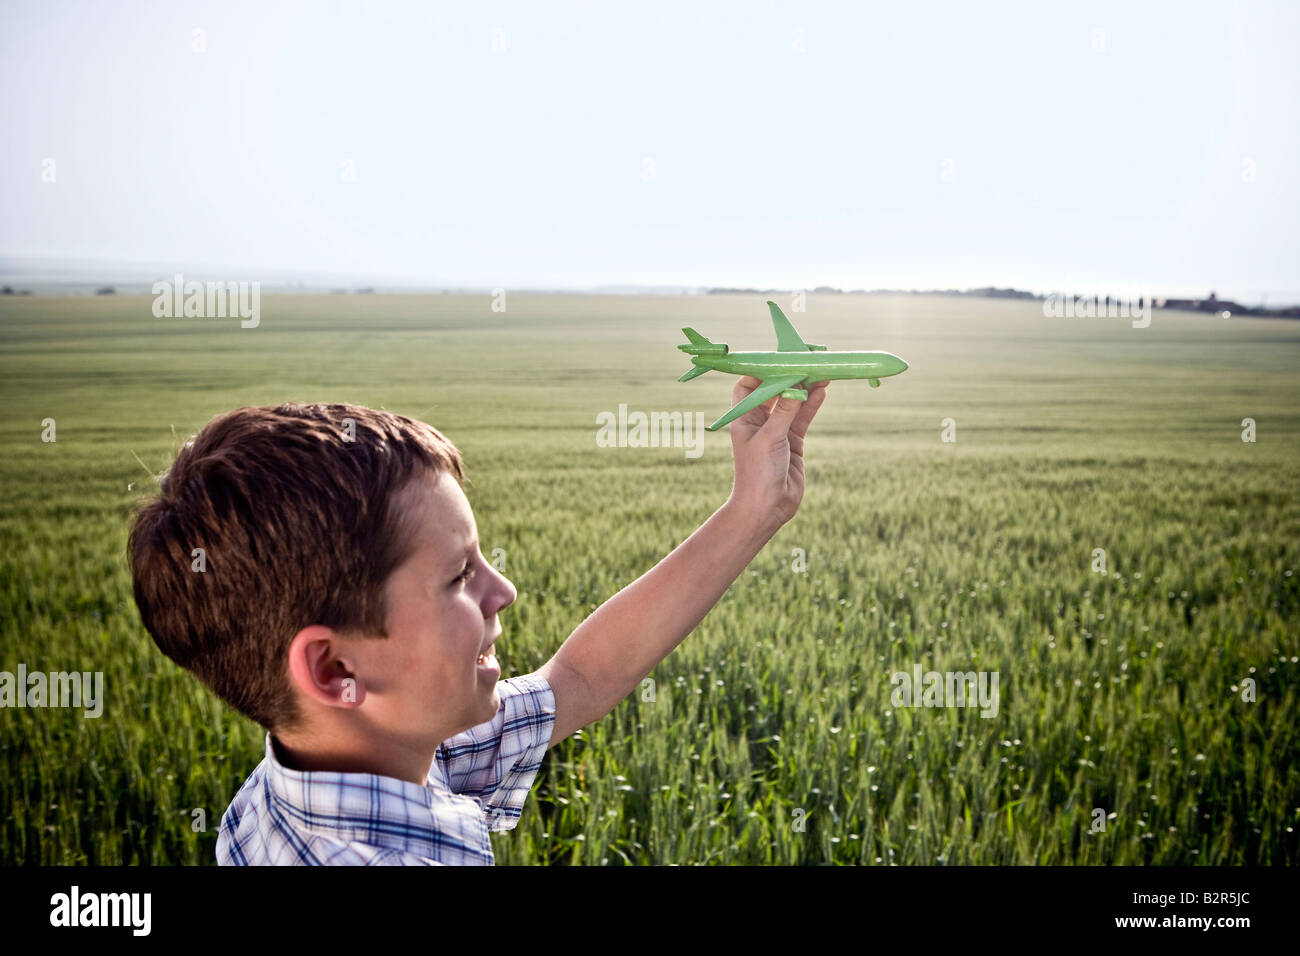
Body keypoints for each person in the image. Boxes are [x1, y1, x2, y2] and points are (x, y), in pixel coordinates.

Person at [126, 377, 828, 864]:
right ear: (335, 670)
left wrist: (754, 509)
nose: (506, 590)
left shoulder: (336, 766)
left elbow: (577, 680)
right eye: (459, 575)